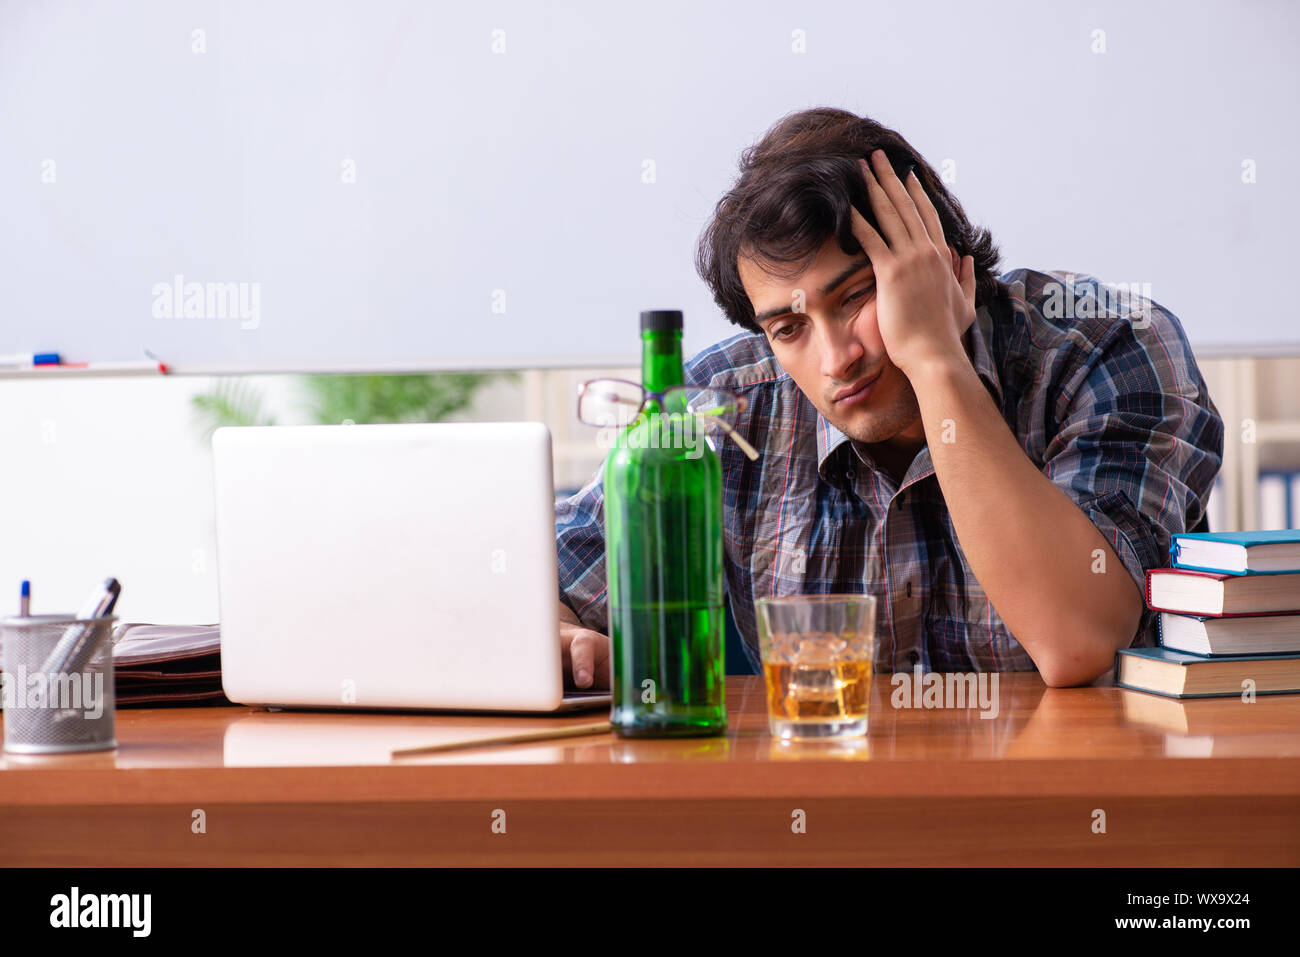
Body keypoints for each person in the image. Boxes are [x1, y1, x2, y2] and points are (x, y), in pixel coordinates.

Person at [556, 107, 1224, 689]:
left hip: (1083, 818)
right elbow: (543, 578)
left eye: (858, 296)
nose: (835, 357)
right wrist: (563, 637)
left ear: (939, 255)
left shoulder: (1106, 347)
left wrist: (934, 359)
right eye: (788, 328)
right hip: (826, 822)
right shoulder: (726, 406)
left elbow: (1078, 637)